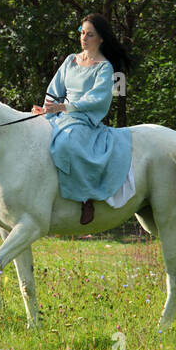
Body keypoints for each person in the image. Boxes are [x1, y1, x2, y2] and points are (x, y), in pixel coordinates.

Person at [31, 14, 134, 226]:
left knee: (66, 144)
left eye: (90, 34)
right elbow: (54, 90)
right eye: (82, 33)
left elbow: (96, 99)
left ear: (101, 39)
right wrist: (46, 109)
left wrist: (64, 107)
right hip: (60, 115)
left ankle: (86, 198)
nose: (84, 38)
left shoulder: (104, 67)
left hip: (84, 119)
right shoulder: (71, 60)